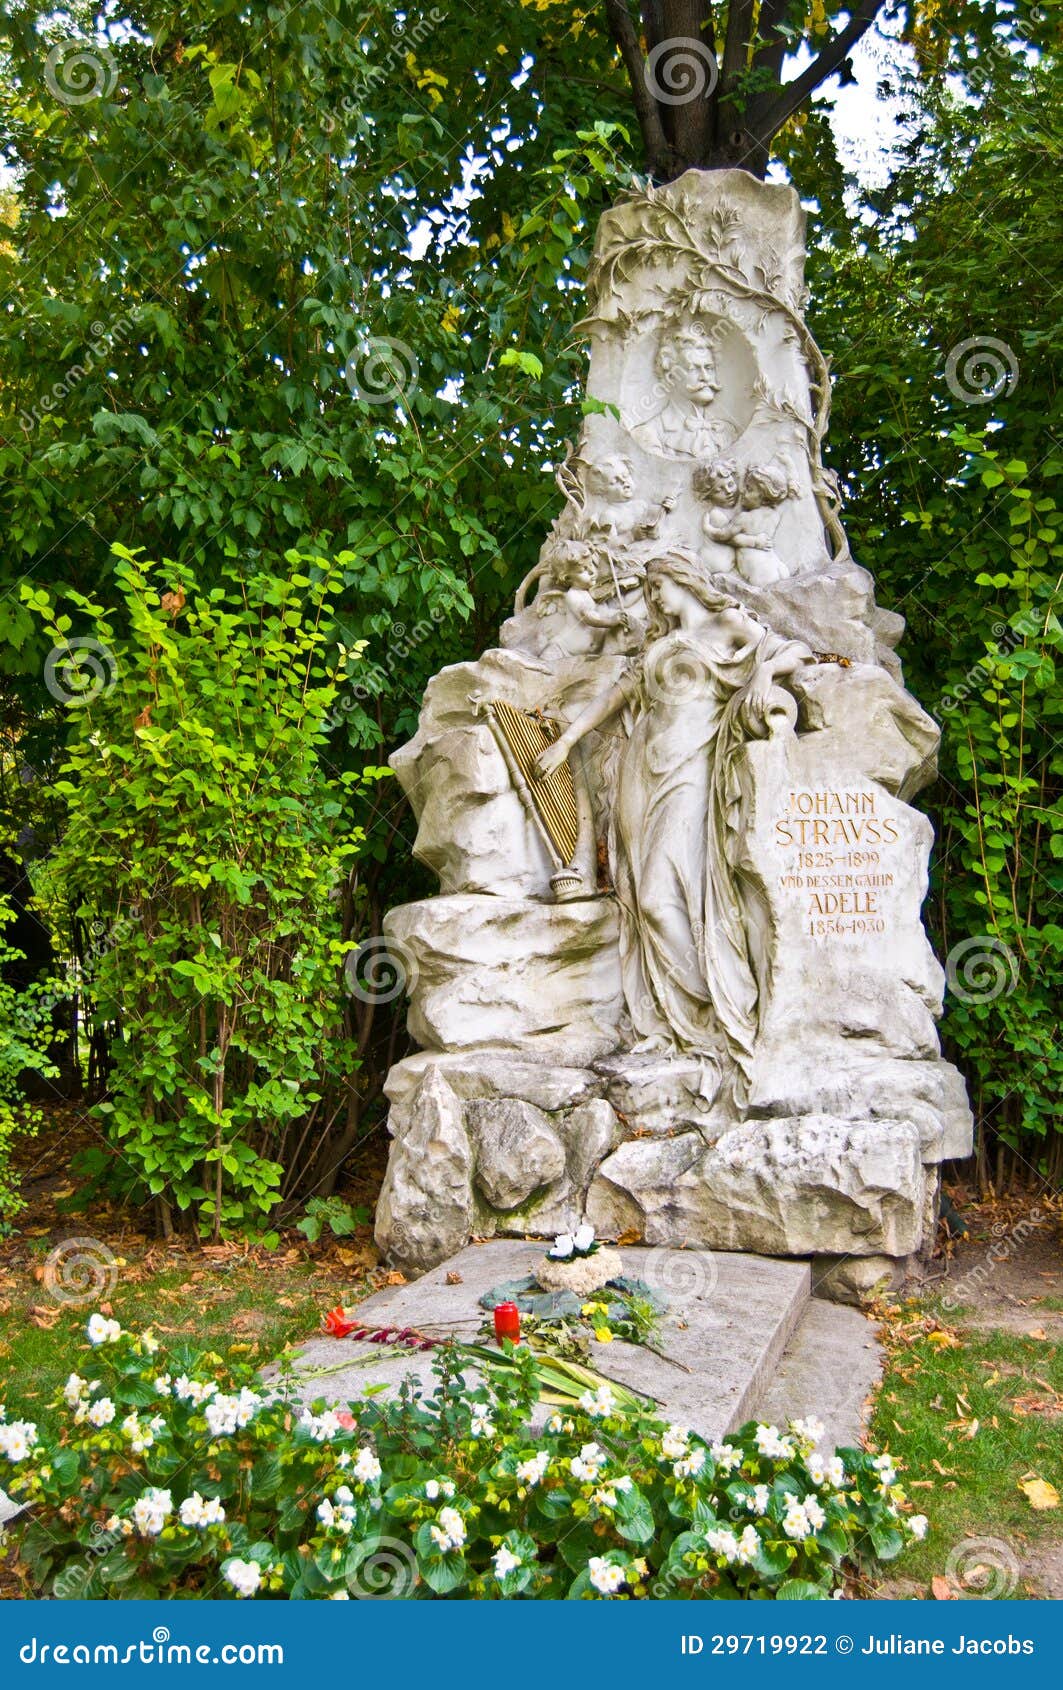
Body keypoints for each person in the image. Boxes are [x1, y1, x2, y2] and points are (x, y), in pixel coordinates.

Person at [532, 549, 812, 1083]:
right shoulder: (657, 645)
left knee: (664, 898)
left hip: (692, 770)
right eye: (650, 588)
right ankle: (665, 1024)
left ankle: (707, 1016)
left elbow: (796, 652)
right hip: (644, 768)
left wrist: (764, 672)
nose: (654, 597)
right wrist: (566, 740)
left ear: (683, 579)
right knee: (641, 892)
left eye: (658, 585)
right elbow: (618, 695)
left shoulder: (726, 624)